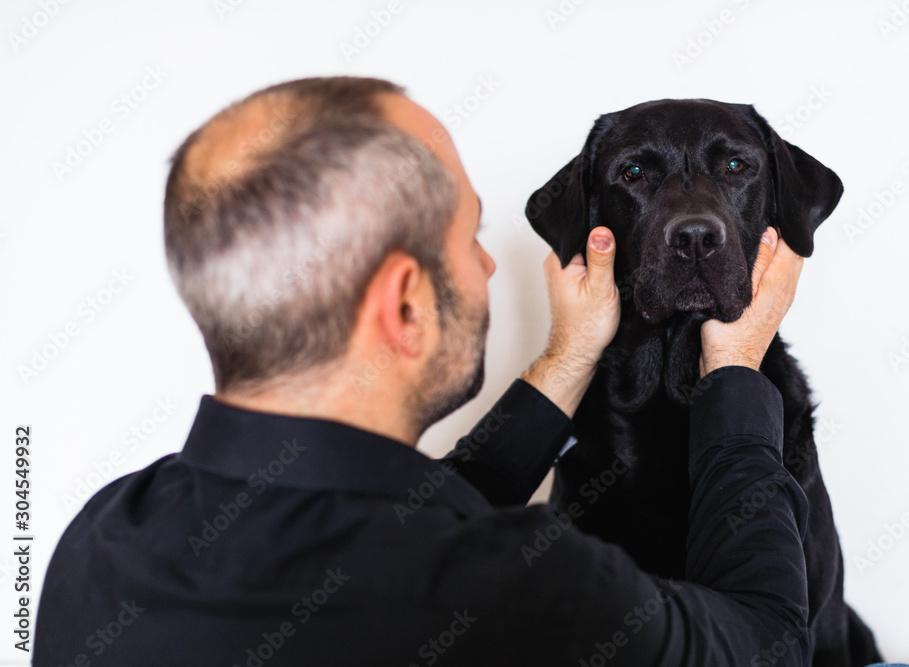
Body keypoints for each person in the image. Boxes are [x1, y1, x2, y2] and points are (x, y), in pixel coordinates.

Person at [36, 76, 818, 666]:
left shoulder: (99, 541)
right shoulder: (525, 584)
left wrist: (568, 357)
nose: (487, 266)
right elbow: (767, 641)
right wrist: (737, 370)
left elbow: (398, 510)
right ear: (405, 302)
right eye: (469, 239)